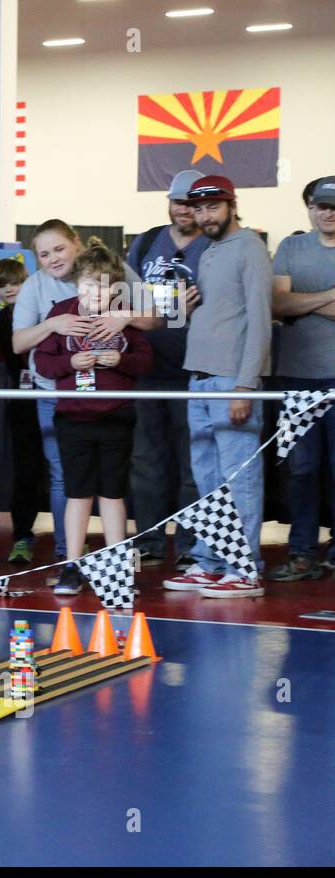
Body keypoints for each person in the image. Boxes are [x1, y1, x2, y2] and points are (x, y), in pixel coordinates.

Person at [11, 218, 148, 564]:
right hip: (65, 404)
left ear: (77, 243)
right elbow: (27, 351)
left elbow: (155, 324)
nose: (54, 258)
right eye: (44, 254)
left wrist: (124, 318)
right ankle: (69, 557)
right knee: (70, 484)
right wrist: (51, 327)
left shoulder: (114, 274)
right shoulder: (43, 295)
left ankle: (116, 561)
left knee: (112, 490)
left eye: (59, 249)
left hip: (114, 409)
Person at [162, 176, 272, 598]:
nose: (205, 216)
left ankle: (244, 567)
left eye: (213, 208)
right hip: (200, 377)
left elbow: (260, 321)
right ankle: (210, 561)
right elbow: (217, 316)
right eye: (199, 209)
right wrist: (184, 310)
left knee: (238, 477)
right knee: (207, 478)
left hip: (232, 380)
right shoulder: (208, 251)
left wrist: (246, 386)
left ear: (231, 205)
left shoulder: (250, 248)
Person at [126, 170, 208, 570]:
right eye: (178, 202)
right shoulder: (144, 244)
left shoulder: (214, 246)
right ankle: (149, 541)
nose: (183, 210)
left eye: (192, 204)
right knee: (147, 461)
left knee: (193, 464)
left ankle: (191, 545)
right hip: (147, 369)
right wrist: (176, 311)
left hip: (196, 372)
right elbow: (127, 302)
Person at [267, 174, 335, 582]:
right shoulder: (292, 247)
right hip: (297, 377)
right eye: (321, 206)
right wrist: (331, 295)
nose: (328, 213)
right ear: (309, 208)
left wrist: (303, 302)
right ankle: (302, 550)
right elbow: (278, 304)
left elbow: (293, 303)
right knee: (301, 468)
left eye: (334, 207)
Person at [0, 257, 43, 564]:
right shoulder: (0, 321)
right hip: (21, 404)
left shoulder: (46, 311)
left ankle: (73, 540)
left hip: (56, 398)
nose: (9, 290)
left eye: (14, 283)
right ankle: (22, 535)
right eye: (2, 286)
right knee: (25, 471)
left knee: (62, 472)